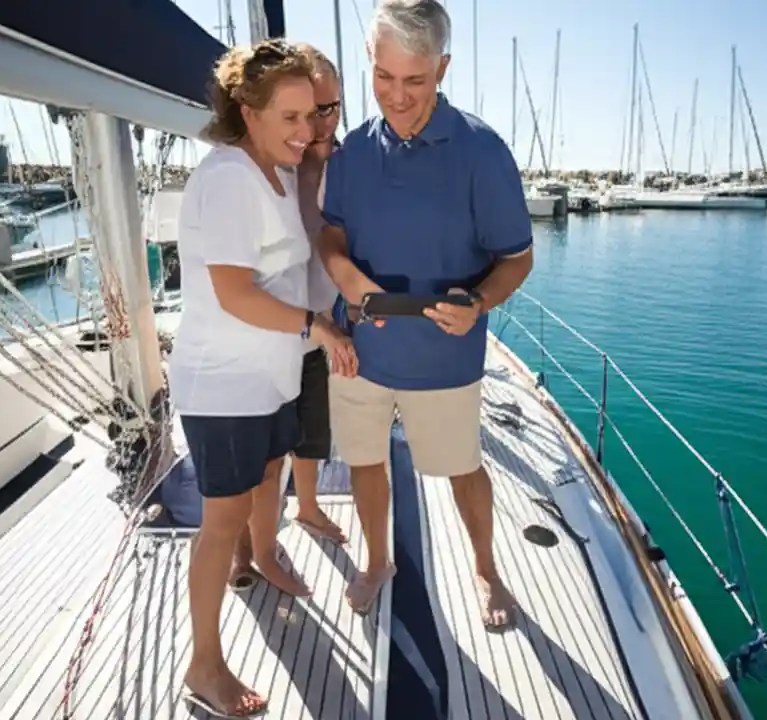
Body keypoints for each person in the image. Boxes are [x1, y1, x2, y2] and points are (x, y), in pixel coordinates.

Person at [316, 0, 534, 630]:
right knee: (363, 461)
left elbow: (516, 259)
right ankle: (379, 560)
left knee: (464, 467)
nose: (398, 96)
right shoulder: (350, 154)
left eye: (415, 80)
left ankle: (487, 568)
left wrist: (481, 304)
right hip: (360, 352)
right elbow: (331, 238)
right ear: (370, 62)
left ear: (443, 67)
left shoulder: (482, 152)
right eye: (384, 77)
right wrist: (353, 284)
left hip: (446, 359)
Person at [168, 39, 357, 718]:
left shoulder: (277, 169)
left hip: (269, 378)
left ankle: (269, 553)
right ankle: (204, 663)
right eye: (291, 117)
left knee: (268, 475)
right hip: (224, 386)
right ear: (247, 111)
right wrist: (319, 326)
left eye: (313, 115)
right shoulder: (225, 180)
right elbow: (234, 294)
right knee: (219, 526)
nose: (307, 132)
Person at [289, 44, 348, 545]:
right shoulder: (275, 168)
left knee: (312, 435)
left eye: (331, 107)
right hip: (276, 325)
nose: (324, 121)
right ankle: (247, 548)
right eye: (312, 111)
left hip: (326, 324)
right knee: (263, 452)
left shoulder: (355, 167)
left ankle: (307, 509)